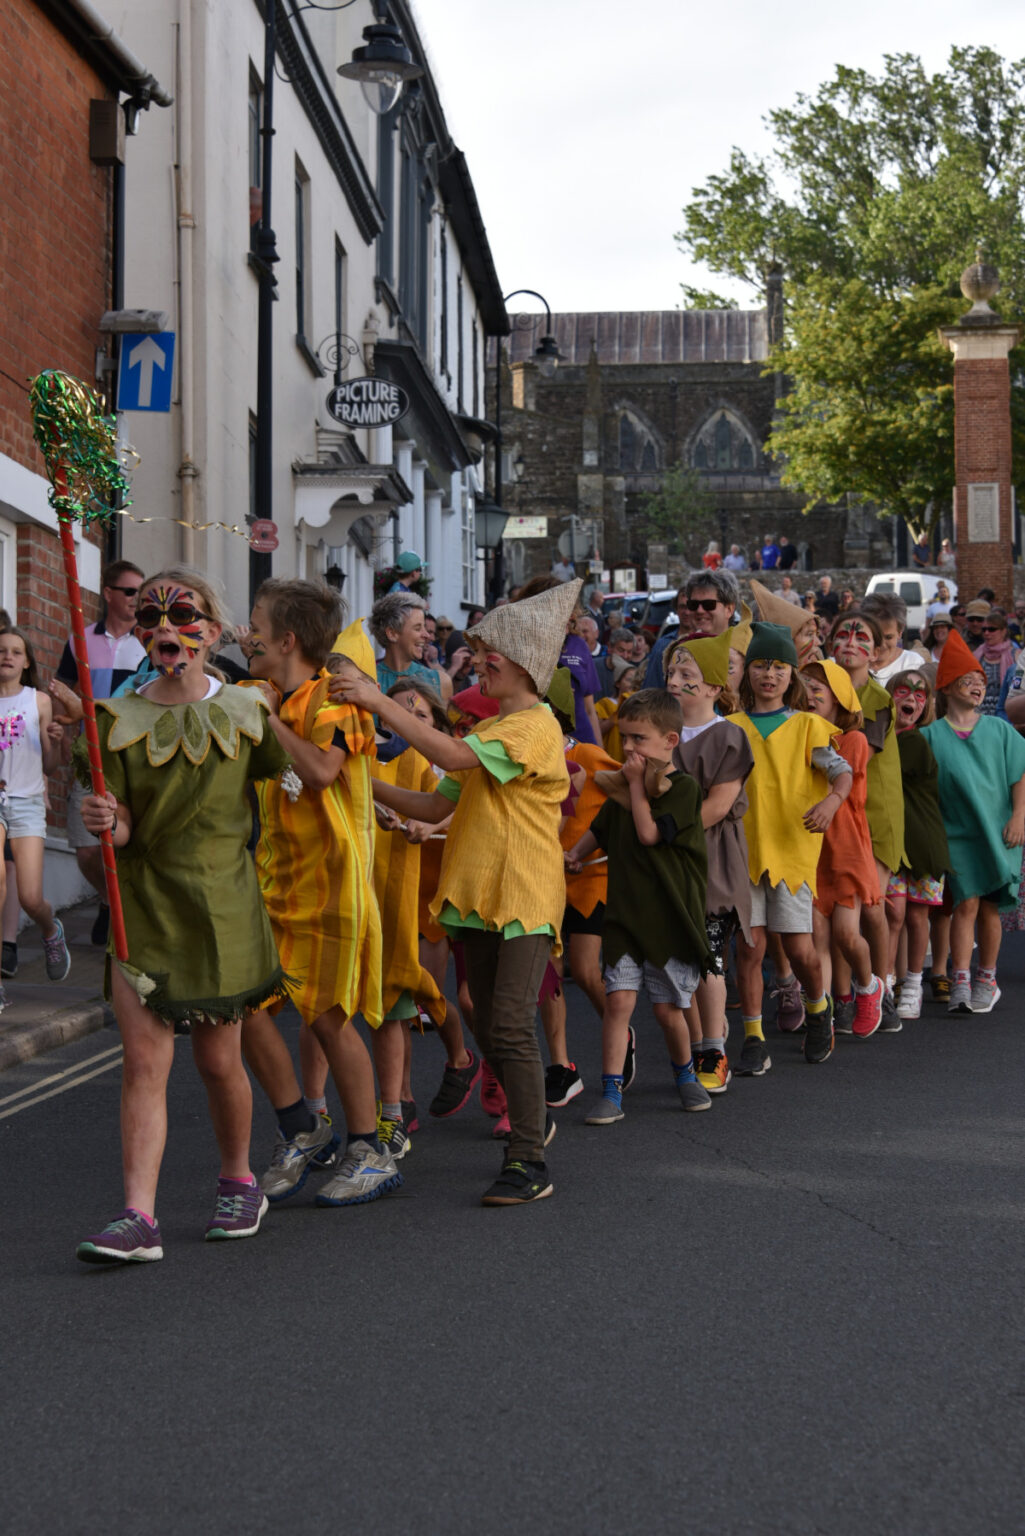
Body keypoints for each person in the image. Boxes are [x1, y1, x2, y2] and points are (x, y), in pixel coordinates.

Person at [331, 579, 578, 1205]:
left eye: (489, 652)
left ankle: (528, 1161)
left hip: (521, 895)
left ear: (522, 661)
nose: (477, 661)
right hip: (477, 895)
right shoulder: (496, 727)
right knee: (491, 1023)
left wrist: (376, 700)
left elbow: (449, 756)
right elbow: (432, 798)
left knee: (512, 1025)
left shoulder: (534, 726)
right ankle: (530, 1117)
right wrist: (358, 781)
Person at [75, 566, 290, 1265]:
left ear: (210, 627)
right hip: (145, 907)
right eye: (149, 615)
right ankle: (139, 1216)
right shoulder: (110, 723)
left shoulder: (249, 711)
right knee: (143, 1063)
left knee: (219, 1060)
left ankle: (239, 1179)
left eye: (181, 613)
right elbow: (130, 831)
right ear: (136, 631)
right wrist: (108, 821)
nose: (166, 627)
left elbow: (284, 786)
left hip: (222, 905)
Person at [238, 589, 407, 1208]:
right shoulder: (277, 697)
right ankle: (302, 1127)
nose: (246, 636)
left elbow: (322, 772)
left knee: (330, 1019)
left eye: (255, 627)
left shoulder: (335, 697)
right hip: (277, 881)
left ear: (288, 642)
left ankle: (370, 1150)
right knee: (245, 1009)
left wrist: (269, 719)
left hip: (332, 885)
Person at [565, 689, 713, 1123]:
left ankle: (685, 1074)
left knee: (669, 1011)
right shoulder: (621, 789)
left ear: (670, 740)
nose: (627, 748)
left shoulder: (683, 790)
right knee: (618, 1004)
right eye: (624, 738)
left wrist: (632, 786)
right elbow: (601, 827)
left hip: (668, 920)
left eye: (638, 739)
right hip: (625, 917)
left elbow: (649, 833)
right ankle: (611, 1090)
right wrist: (577, 854)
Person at [727, 623, 853, 1072]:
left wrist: (832, 801)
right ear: (748, 674)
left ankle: (819, 1013)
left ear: (791, 676)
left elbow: (843, 773)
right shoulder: (731, 728)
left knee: (799, 948)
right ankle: (753, 1039)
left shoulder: (807, 726)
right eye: (761, 665)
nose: (769, 674)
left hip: (791, 852)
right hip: (742, 853)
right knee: (750, 948)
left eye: (779, 667)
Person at [663, 629, 754, 1095]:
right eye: (672, 672)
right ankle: (698, 1045)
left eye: (687, 675)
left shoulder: (728, 737)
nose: (675, 681)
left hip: (712, 861)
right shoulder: (663, 733)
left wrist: (667, 832)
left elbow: (718, 805)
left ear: (715, 687)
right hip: (670, 861)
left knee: (710, 958)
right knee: (684, 961)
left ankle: (715, 1050)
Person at [922, 629, 1025, 1013]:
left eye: (981, 681)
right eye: (967, 681)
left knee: (990, 908)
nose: (977, 687)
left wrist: (1020, 816)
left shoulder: (999, 730)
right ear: (946, 688)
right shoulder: (931, 736)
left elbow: (1020, 775)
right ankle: (960, 976)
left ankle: (988, 976)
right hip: (957, 835)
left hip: (999, 832)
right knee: (964, 904)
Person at [52, 559, 146, 948]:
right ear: (108, 593)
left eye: (140, 592)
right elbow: (62, 689)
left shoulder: (150, 642)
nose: (136, 600)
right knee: (87, 849)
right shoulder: (79, 639)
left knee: (126, 838)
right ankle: (110, 903)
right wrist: (58, 726)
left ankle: (126, 915)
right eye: (128, 592)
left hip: (133, 756)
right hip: (89, 754)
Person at [828, 610, 905, 1029]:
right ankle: (845, 997)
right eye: (842, 634)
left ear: (876, 653)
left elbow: (852, 760)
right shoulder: (821, 693)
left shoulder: (876, 700)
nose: (850, 641)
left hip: (874, 817)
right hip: (838, 817)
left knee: (869, 910)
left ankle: (882, 989)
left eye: (861, 636)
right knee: (841, 909)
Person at [801, 659, 884, 1039]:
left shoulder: (854, 740)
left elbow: (840, 781)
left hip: (845, 848)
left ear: (841, 701)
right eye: (807, 688)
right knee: (817, 936)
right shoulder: (798, 733)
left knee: (846, 936)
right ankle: (826, 1013)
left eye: (822, 689)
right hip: (810, 847)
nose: (813, 695)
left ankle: (869, 987)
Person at [0, 628, 71, 998]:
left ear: (26, 661)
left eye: (15, 651)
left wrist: (55, 744)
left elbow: (50, 766)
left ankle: (49, 931)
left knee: (30, 897)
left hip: (26, 802)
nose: (7, 656)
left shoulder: (38, 701)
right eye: (1, 650)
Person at [884, 670, 951, 1020]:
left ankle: (912, 983)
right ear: (890, 695)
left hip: (923, 843)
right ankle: (886, 982)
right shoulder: (879, 737)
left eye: (920, 694)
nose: (911, 698)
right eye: (904, 690)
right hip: (893, 843)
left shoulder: (913, 742)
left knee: (916, 915)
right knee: (893, 913)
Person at [643, 569, 739, 688]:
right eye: (693, 605)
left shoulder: (744, 652)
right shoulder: (668, 650)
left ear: (729, 609)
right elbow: (652, 701)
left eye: (708, 604)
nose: (699, 610)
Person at [371, 590, 467, 704]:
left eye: (425, 628)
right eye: (417, 628)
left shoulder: (441, 682)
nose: (427, 636)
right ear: (392, 634)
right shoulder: (367, 681)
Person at [860, 594, 921, 685]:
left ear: (900, 632)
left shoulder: (912, 663)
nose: (881, 644)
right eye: (874, 636)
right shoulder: (848, 661)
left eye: (888, 637)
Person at [974, 608, 1018, 716]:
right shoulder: (976, 655)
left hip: (1006, 717)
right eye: (984, 629)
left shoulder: (1016, 655)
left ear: (1003, 631)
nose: (987, 633)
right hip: (979, 716)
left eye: (992, 629)